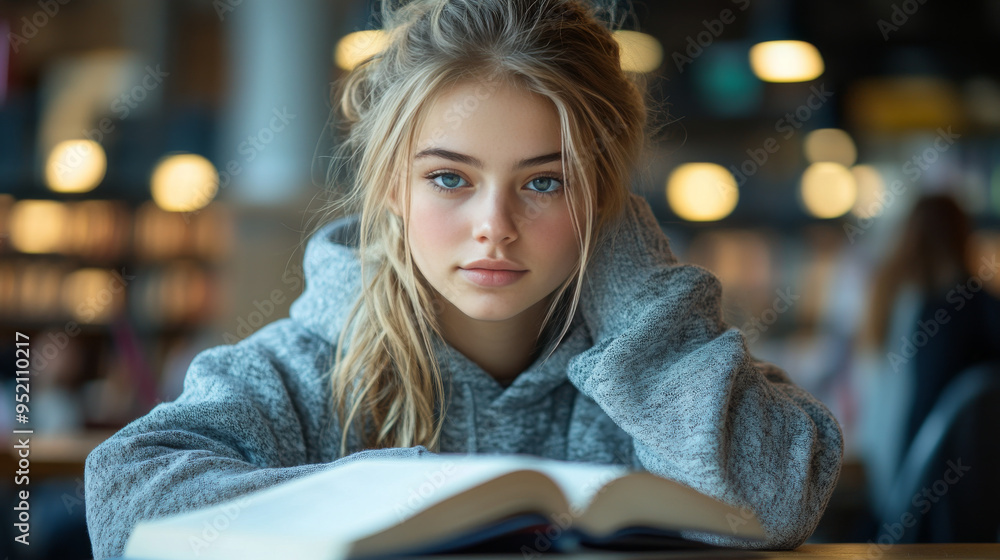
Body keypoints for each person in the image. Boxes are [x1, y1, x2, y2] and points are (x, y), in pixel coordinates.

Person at [84, 1, 844, 557]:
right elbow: (124, 501)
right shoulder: (303, 372)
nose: (495, 226)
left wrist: (634, 277)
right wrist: (409, 498)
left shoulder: (663, 371)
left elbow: (775, 501)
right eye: (449, 179)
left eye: (546, 182)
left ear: (604, 200)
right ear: (390, 188)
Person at [854, 193, 1000, 520]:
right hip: (949, 483)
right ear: (963, 236)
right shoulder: (973, 308)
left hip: (884, 467)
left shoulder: (887, 296)